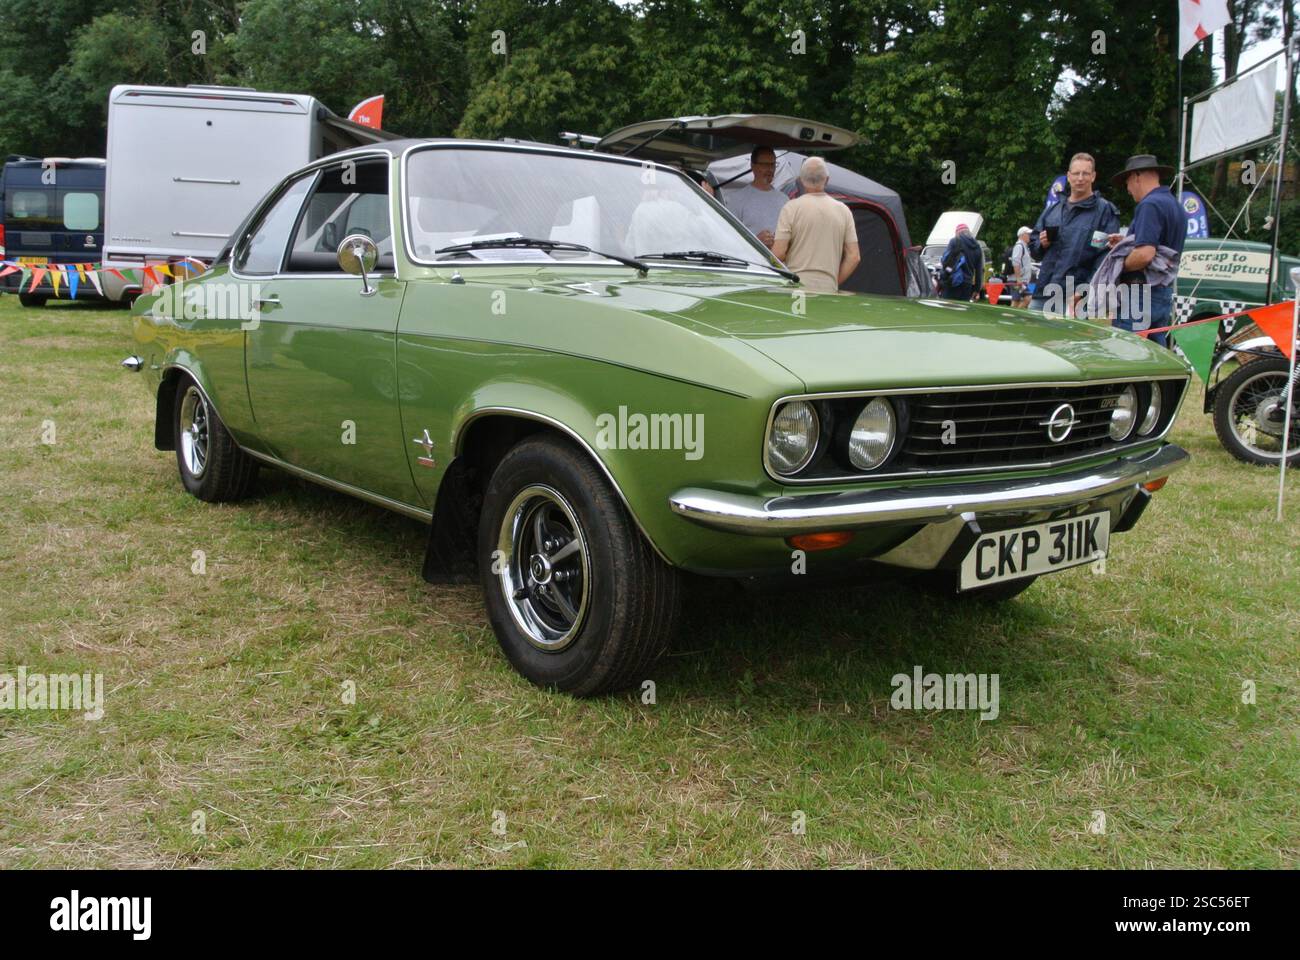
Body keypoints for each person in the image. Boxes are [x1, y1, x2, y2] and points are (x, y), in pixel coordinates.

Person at [1102, 155, 1184, 348]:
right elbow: (1159, 246)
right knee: (1155, 356)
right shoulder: (1174, 205)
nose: (1128, 189)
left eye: (1127, 182)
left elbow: (1145, 254)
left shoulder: (1150, 204)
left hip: (1139, 294)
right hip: (1162, 292)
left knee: (1125, 356)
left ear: (1137, 176)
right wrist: (1126, 242)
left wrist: (1119, 263)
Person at [1029, 152, 1120, 315]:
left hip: (1074, 298)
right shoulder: (1053, 211)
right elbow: (1034, 250)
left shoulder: (1103, 211)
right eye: (1076, 173)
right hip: (1042, 293)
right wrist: (1041, 244)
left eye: (1085, 173)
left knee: (1066, 342)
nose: (1080, 178)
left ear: (1093, 176)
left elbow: (1104, 257)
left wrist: (1084, 290)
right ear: (1068, 176)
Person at [771, 157, 860, 293]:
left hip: (796, 289)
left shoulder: (791, 208)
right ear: (827, 179)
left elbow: (778, 253)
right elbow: (854, 257)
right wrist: (833, 282)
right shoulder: (843, 210)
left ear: (800, 181)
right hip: (828, 290)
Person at [726, 147, 787, 248]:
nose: (770, 169)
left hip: (780, 262)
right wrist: (756, 242)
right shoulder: (736, 199)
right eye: (765, 165)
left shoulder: (784, 200)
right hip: (751, 262)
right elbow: (729, 239)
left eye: (773, 164)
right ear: (753, 166)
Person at [939, 223, 983, 301]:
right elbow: (979, 270)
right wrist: (977, 289)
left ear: (957, 233)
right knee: (962, 310)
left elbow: (945, 260)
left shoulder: (954, 241)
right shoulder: (977, 246)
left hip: (953, 281)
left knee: (948, 310)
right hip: (967, 285)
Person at [1011, 225, 1035, 307]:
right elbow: (1015, 262)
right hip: (1019, 280)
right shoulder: (1019, 246)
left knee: (1018, 300)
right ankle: (1010, 317)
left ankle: (1013, 316)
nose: (1029, 236)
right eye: (1028, 234)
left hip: (1023, 280)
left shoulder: (1025, 247)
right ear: (1022, 235)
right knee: (1020, 300)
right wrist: (1018, 279)